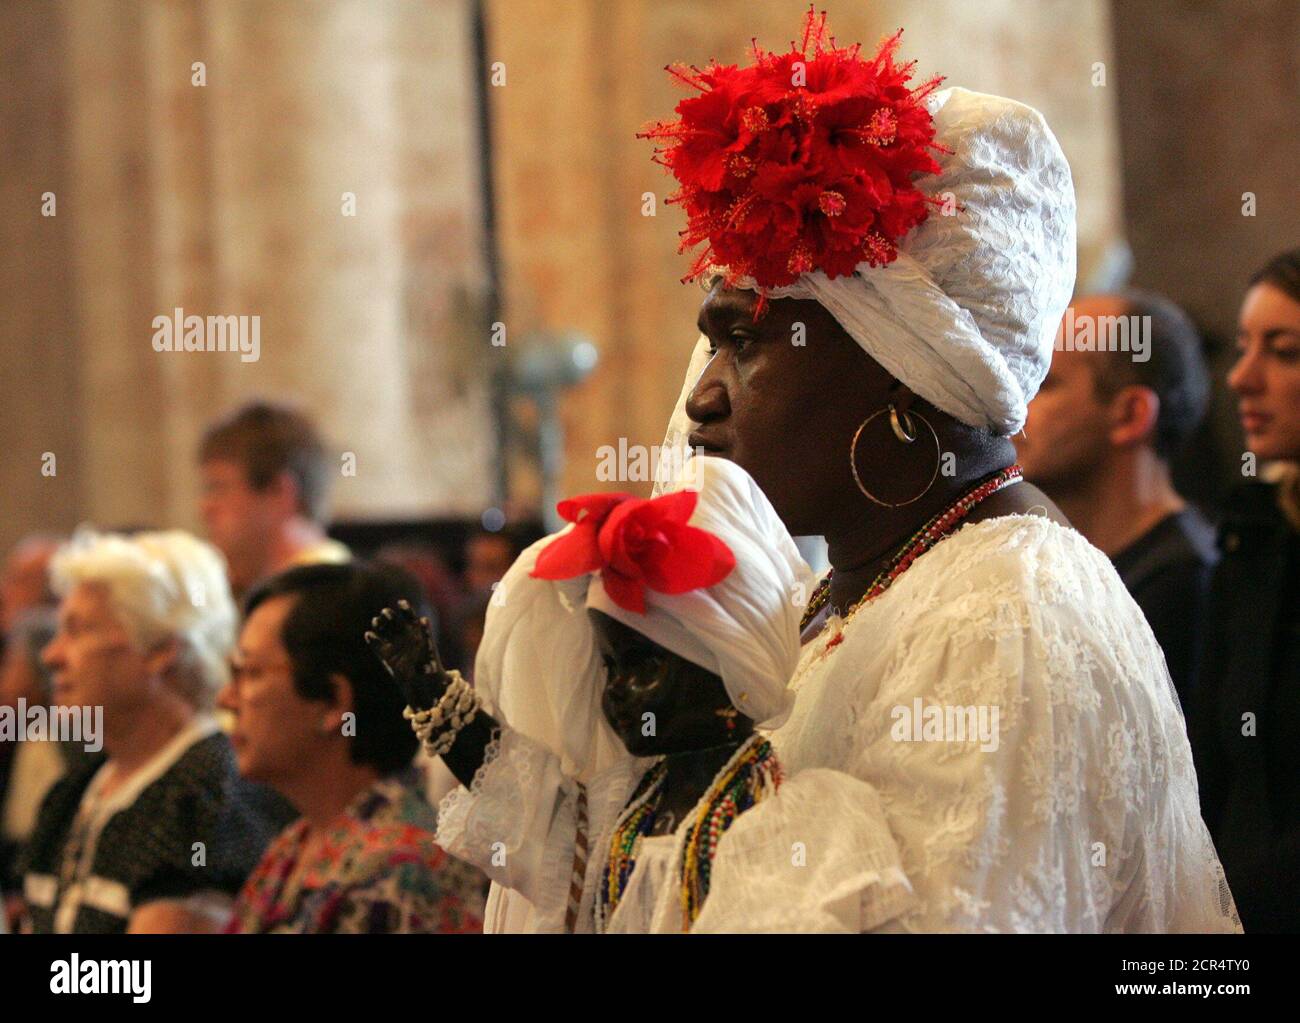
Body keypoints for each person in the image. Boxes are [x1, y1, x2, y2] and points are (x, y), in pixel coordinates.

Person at [642, 9, 1237, 931]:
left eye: (749, 343)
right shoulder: (868, 584)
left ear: (906, 366)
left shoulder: (1000, 617)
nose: (704, 399)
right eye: (712, 344)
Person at [368, 457, 900, 932]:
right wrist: (433, 693)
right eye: (611, 668)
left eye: (642, 668)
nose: (618, 693)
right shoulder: (625, 804)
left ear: (727, 675)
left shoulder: (794, 820)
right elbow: (530, 817)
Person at [19, 530, 290, 933]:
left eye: (77, 631)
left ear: (161, 650)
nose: (52, 655)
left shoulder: (207, 796)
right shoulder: (74, 793)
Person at [221, 562, 486, 934]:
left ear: (332, 702)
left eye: (250, 673)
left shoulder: (400, 873)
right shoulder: (297, 843)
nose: (226, 699)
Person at [1015, 291, 1215, 703]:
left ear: (1131, 415)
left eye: (1044, 384)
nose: (1016, 408)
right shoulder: (1060, 563)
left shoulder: (1188, 584)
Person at [1191, 248, 1300, 933]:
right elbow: (1215, 772)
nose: (1240, 378)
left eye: (1284, 351)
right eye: (1242, 348)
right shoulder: (1256, 531)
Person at [198, 400, 349, 601]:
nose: (205, 508)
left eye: (219, 488)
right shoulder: (268, 589)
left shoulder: (328, 596)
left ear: (278, 492)